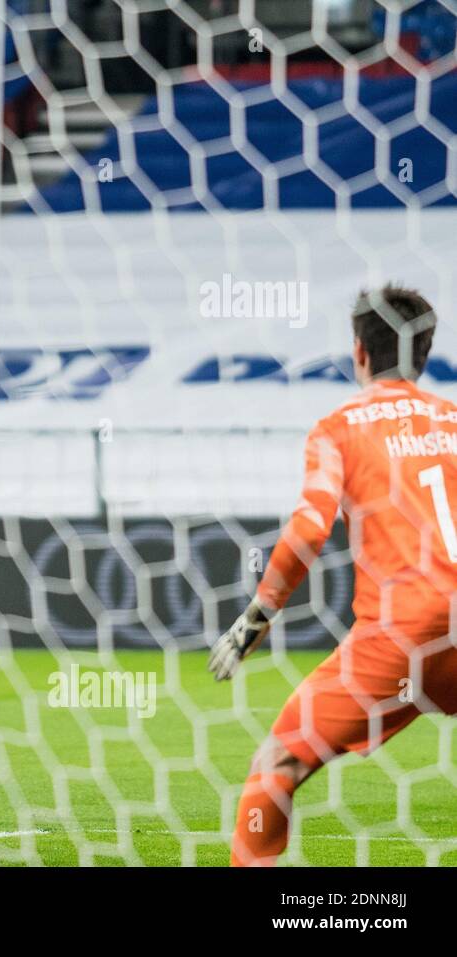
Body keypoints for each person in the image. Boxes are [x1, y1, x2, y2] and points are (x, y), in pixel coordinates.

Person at [209, 284, 457, 866]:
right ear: (424, 353)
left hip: (405, 630)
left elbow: (308, 528)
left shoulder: (339, 427)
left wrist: (255, 620)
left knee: (277, 765)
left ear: (360, 353)